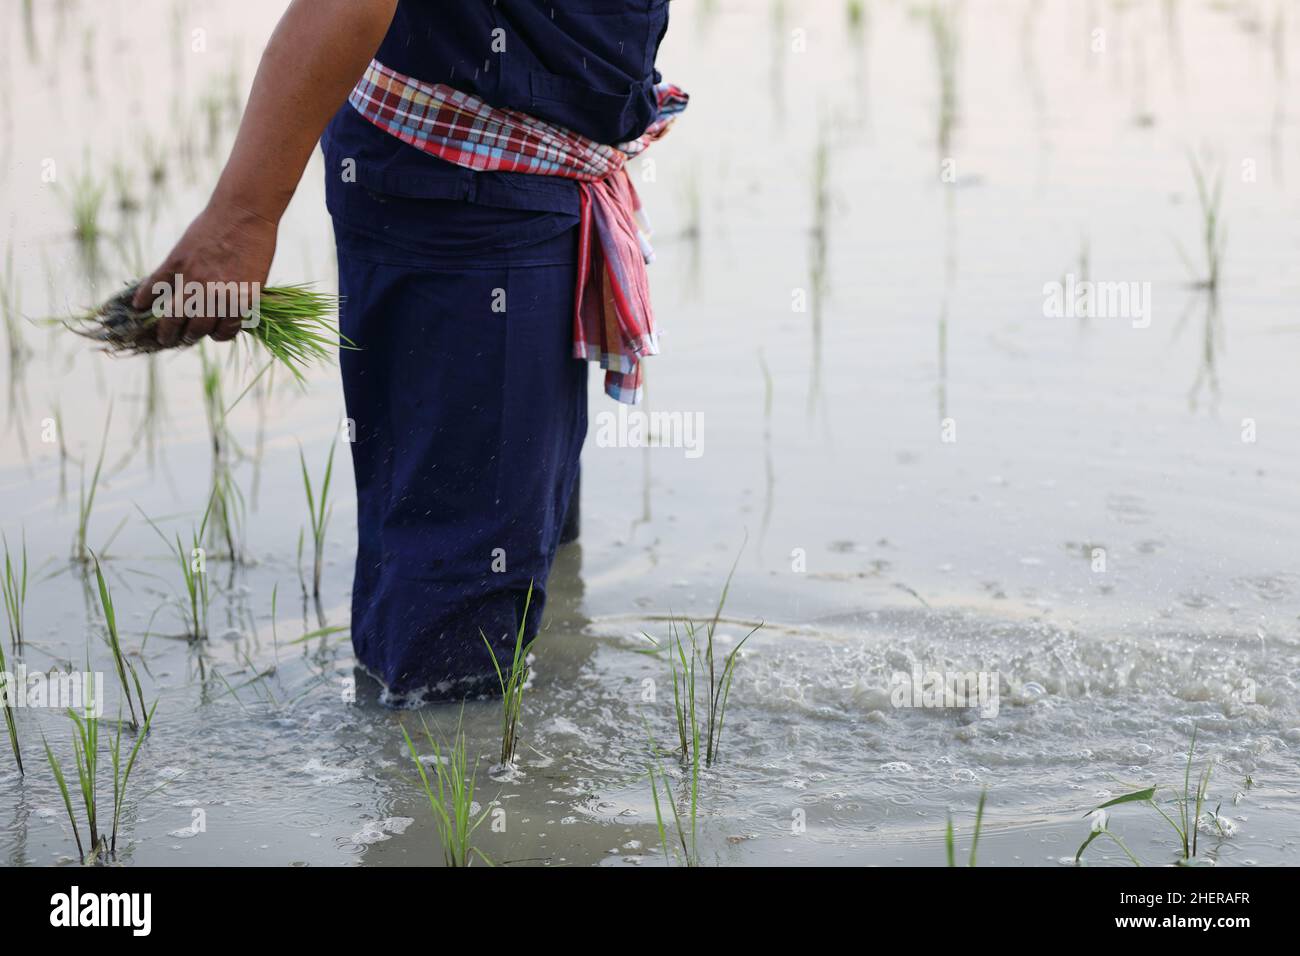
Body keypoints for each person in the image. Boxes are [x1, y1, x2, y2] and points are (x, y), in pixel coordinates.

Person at [131, 1, 684, 704]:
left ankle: (506, 771)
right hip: (466, 188)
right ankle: (437, 798)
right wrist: (245, 212)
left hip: (534, 172)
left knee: (525, 543)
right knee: (457, 620)